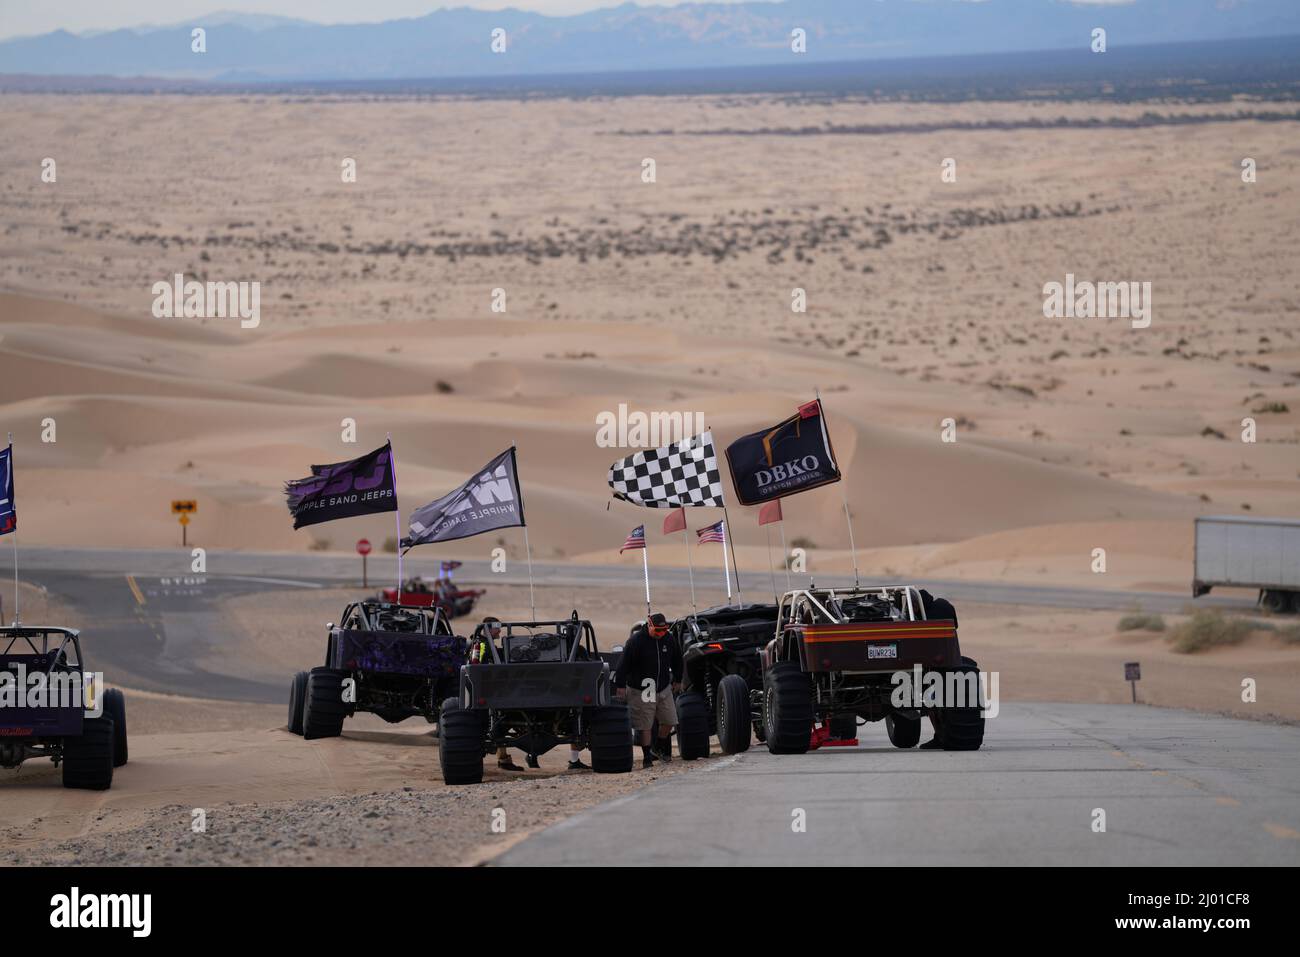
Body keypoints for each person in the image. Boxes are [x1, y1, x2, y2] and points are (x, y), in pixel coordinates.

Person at [613, 612, 681, 768]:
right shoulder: (636, 641)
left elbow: (677, 659)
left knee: (670, 720)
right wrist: (621, 686)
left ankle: (658, 746)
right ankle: (646, 757)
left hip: (663, 687)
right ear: (649, 625)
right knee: (645, 725)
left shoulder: (668, 639)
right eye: (657, 630)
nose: (660, 634)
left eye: (663, 631)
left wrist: (678, 679)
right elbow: (623, 664)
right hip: (642, 688)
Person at [474, 616, 525, 772]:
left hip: (494, 688)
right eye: (497, 626)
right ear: (488, 628)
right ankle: (502, 760)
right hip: (489, 690)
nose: (500, 630)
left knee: (500, 723)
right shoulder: (481, 644)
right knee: (498, 722)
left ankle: (503, 759)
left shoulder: (486, 644)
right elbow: (476, 664)